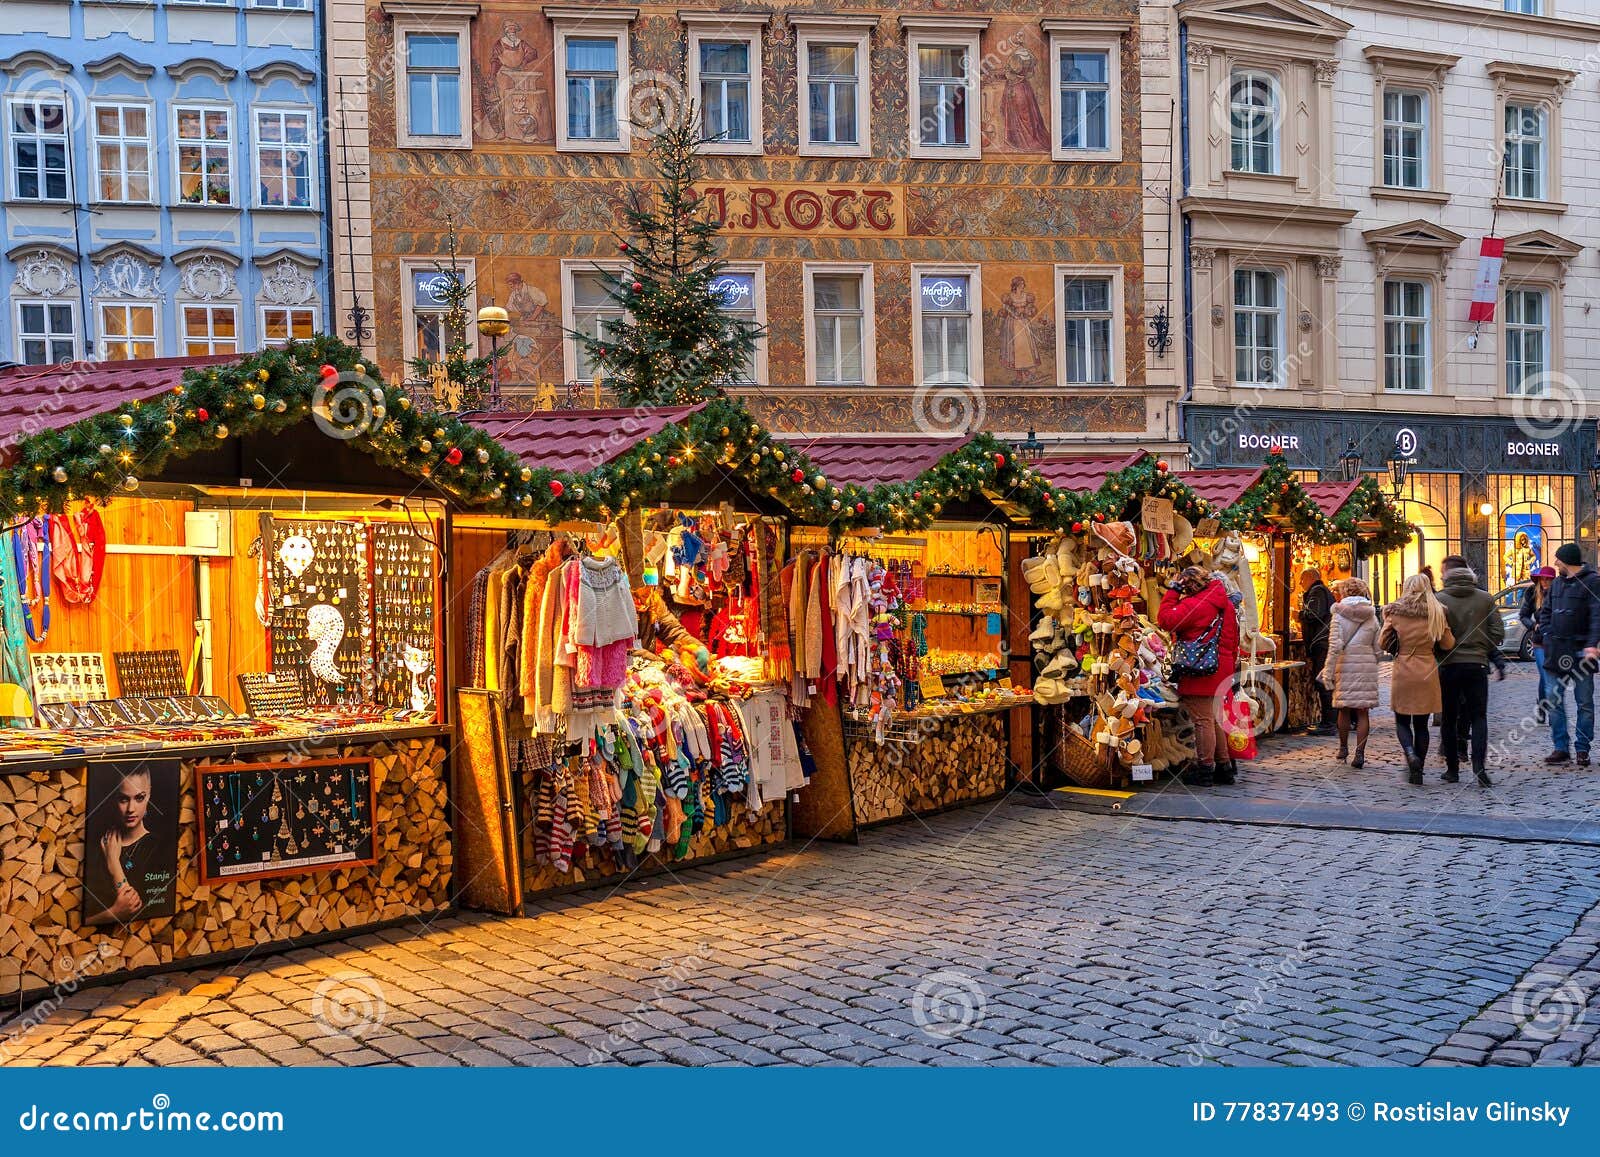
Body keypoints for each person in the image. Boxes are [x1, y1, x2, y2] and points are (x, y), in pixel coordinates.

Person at [1157, 565, 1240, 787]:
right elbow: (1233, 640)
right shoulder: (1225, 603)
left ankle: (1205, 770)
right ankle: (1224, 767)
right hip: (1221, 667)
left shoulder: (1195, 604)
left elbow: (1165, 619)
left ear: (1189, 585)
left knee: (1203, 720)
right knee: (1214, 718)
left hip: (1201, 669)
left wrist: (1173, 591)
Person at [1435, 555, 1504, 786]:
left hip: (1448, 665)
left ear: (1447, 575)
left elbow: (1433, 634)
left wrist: (1441, 652)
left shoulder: (1439, 599)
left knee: (1448, 718)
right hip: (1477, 665)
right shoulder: (1485, 598)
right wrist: (1482, 648)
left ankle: (1452, 769)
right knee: (1478, 717)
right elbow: (1498, 632)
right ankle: (1479, 767)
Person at [1381, 574, 1455, 785]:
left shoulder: (1395, 611)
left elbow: (1382, 642)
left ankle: (1410, 753)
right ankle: (1419, 769)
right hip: (1427, 669)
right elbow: (1448, 644)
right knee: (1422, 725)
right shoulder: (1436, 611)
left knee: (1402, 721)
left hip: (1404, 668)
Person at [1536, 543, 1600, 766]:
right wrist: (1547, 633)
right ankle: (1560, 747)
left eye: (1558, 560)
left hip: (1581, 652)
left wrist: (1592, 644)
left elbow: (1597, 616)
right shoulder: (1556, 584)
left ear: (1568, 561)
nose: (1556, 563)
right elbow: (1545, 612)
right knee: (1553, 700)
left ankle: (1582, 748)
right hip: (1556, 650)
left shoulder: (1593, 582)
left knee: (1584, 703)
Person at [84, 766, 174, 925]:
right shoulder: (96, 845)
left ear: (149, 795)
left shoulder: (160, 848)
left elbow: (137, 910)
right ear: (113, 798)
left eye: (139, 798)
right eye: (123, 799)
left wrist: (113, 863)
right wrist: (113, 914)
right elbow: (83, 920)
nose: (131, 809)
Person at [1318, 578, 1383, 768]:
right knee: (1363, 712)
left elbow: (1334, 646)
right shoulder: (1371, 616)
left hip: (1344, 664)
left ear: (1344, 592)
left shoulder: (1338, 615)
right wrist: (1373, 660)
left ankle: (1343, 747)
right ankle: (1360, 753)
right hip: (1366, 666)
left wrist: (1328, 671)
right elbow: (1378, 646)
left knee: (1344, 709)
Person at [1297, 567, 1335, 735]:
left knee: (1323, 682)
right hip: (1322, 642)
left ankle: (1329, 723)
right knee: (1324, 682)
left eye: (1302, 579)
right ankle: (1329, 721)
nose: (1300, 583)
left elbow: (1313, 614)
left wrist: (1299, 614)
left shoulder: (1317, 591)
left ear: (1310, 578)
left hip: (1321, 643)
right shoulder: (1322, 591)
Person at [1520, 566, 1556, 726]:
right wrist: (1533, 625)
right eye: (1542, 579)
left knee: (1548, 677)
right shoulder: (1533, 593)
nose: (1545, 582)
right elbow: (1523, 615)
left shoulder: (1558, 593)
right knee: (1546, 674)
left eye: (1548, 579)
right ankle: (1550, 711)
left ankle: (1542, 705)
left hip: (1555, 641)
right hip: (1539, 641)